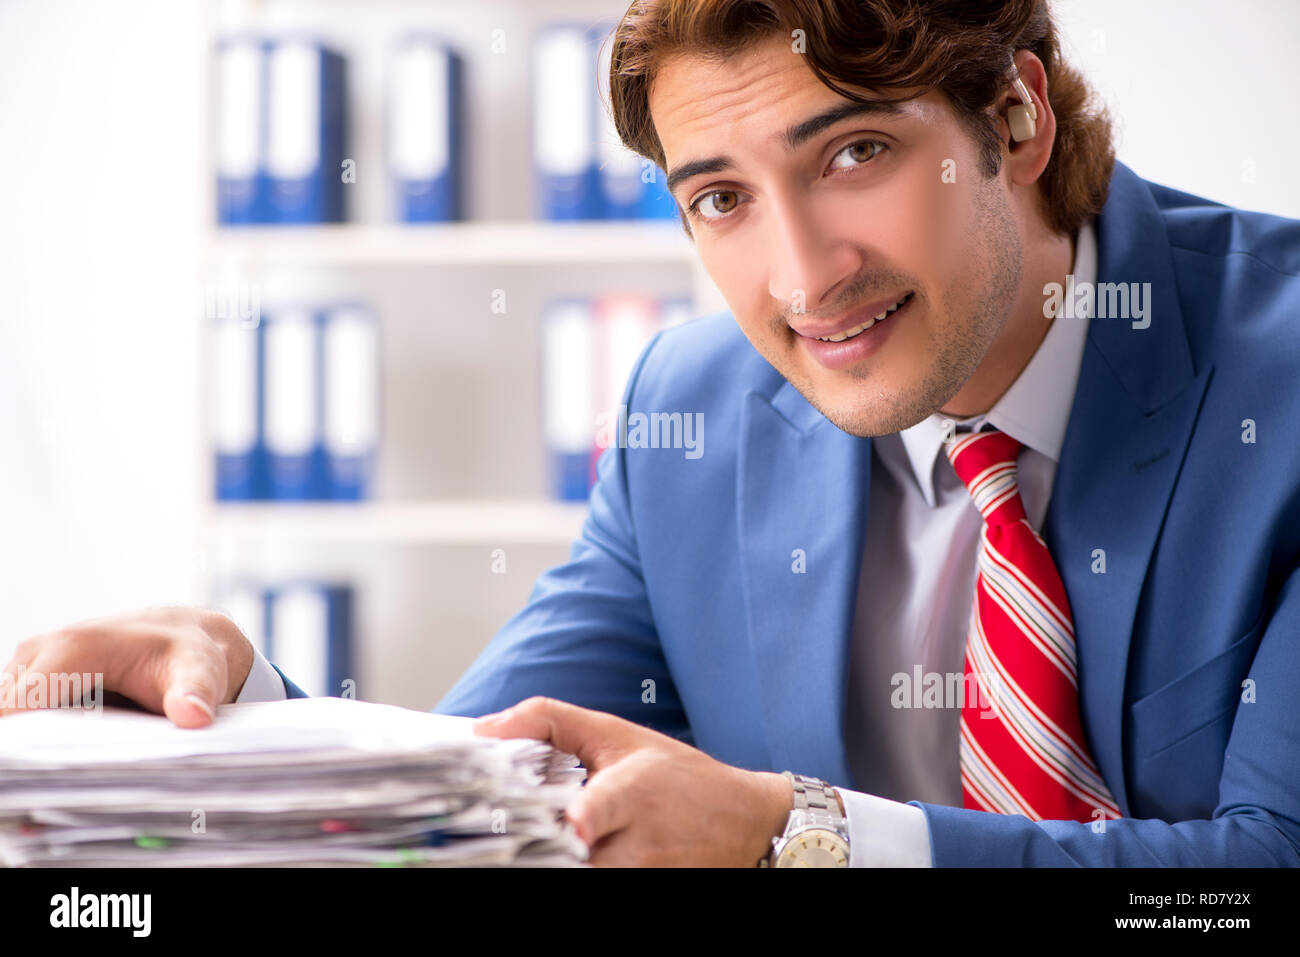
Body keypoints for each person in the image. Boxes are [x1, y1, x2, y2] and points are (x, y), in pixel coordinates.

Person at [6, 0, 1299, 866]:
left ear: (1015, 118)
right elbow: (492, 771)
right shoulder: (691, 414)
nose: (805, 278)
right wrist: (240, 715)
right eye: (723, 199)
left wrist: (799, 837)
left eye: (853, 154)